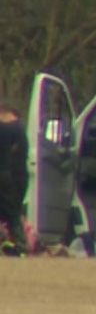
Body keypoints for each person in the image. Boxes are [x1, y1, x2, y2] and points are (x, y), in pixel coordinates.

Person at [0, 103, 29, 256]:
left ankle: (18, 244)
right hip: (17, 177)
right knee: (13, 212)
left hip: (7, 177)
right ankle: (17, 244)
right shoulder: (19, 129)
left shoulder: (6, 129)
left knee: (11, 213)